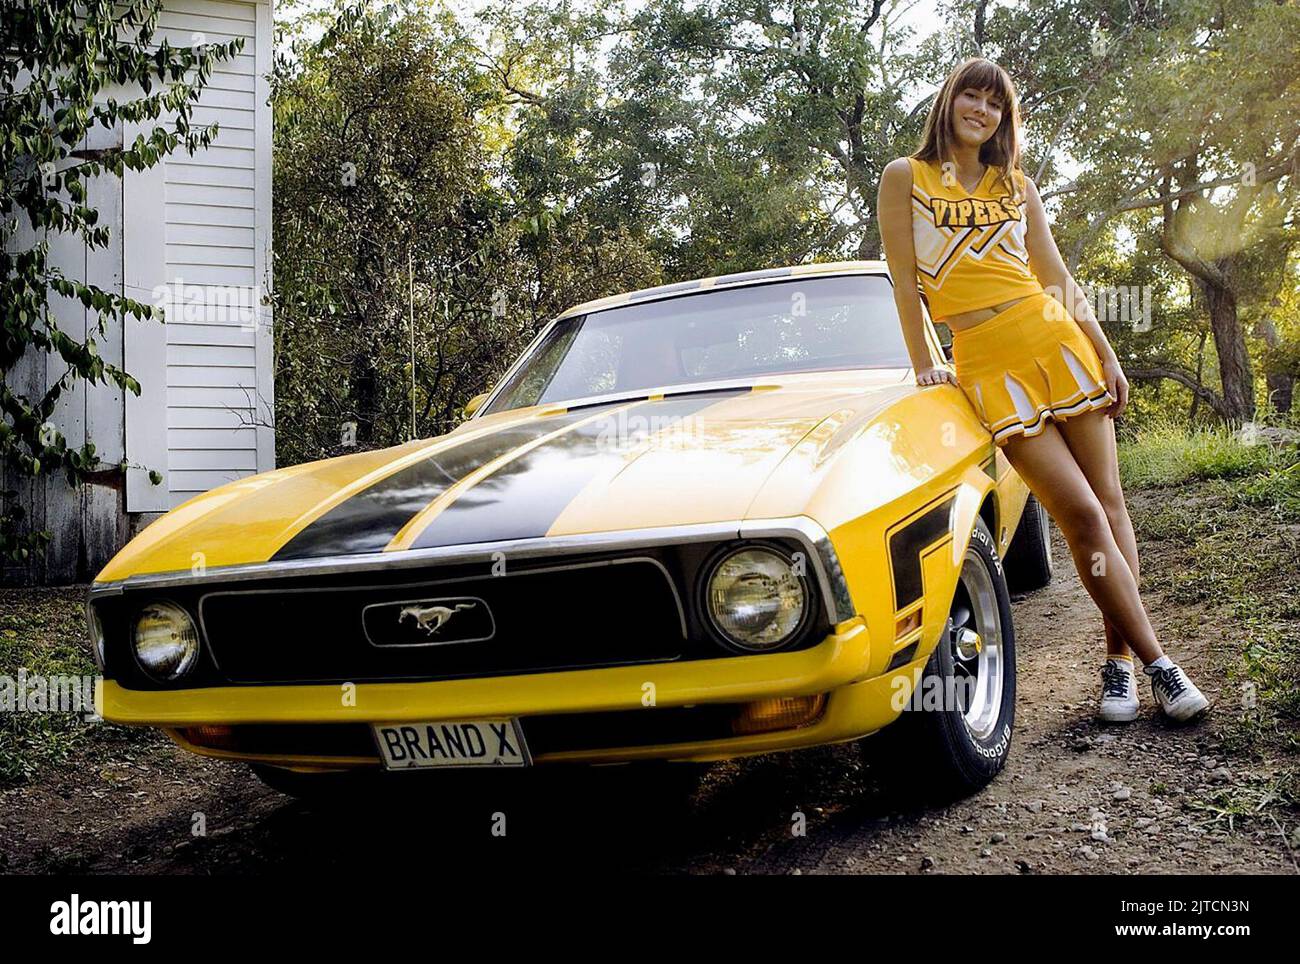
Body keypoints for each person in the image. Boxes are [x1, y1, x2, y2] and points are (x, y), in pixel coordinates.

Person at [876, 56, 1209, 723]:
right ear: (949, 103)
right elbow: (904, 279)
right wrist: (924, 363)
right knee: (1080, 516)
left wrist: (1106, 352)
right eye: (970, 95)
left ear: (1004, 117)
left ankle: (1121, 665)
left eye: (994, 103)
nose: (980, 109)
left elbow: (1055, 275)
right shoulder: (904, 177)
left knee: (1111, 506)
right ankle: (1161, 665)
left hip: (1056, 339)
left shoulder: (1016, 185)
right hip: (987, 363)